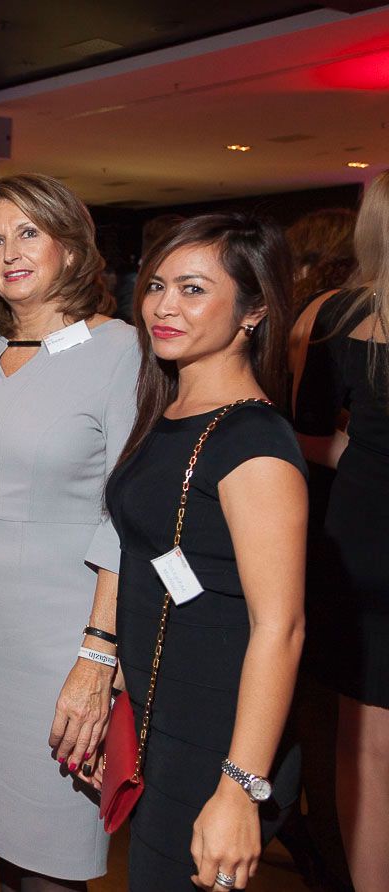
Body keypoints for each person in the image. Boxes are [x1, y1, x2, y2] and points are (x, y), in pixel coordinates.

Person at [0, 173, 139, 891]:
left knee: (54, 848)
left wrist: (99, 654)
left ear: (71, 246)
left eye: (28, 232)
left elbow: (129, 513)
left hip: (62, 637)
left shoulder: (120, 351)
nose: (9, 252)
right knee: (2, 838)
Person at [102, 214, 307, 891]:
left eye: (193, 290)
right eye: (156, 285)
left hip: (217, 737)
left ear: (253, 311)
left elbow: (280, 627)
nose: (164, 305)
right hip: (165, 716)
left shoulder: (254, 442)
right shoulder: (170, 411)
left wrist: (240, 789)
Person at [293, 170, 389, 892]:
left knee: (368, 749)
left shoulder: (344, 315)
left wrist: (359, 452)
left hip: (361, 541)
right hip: (360, 551)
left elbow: (302, 437)